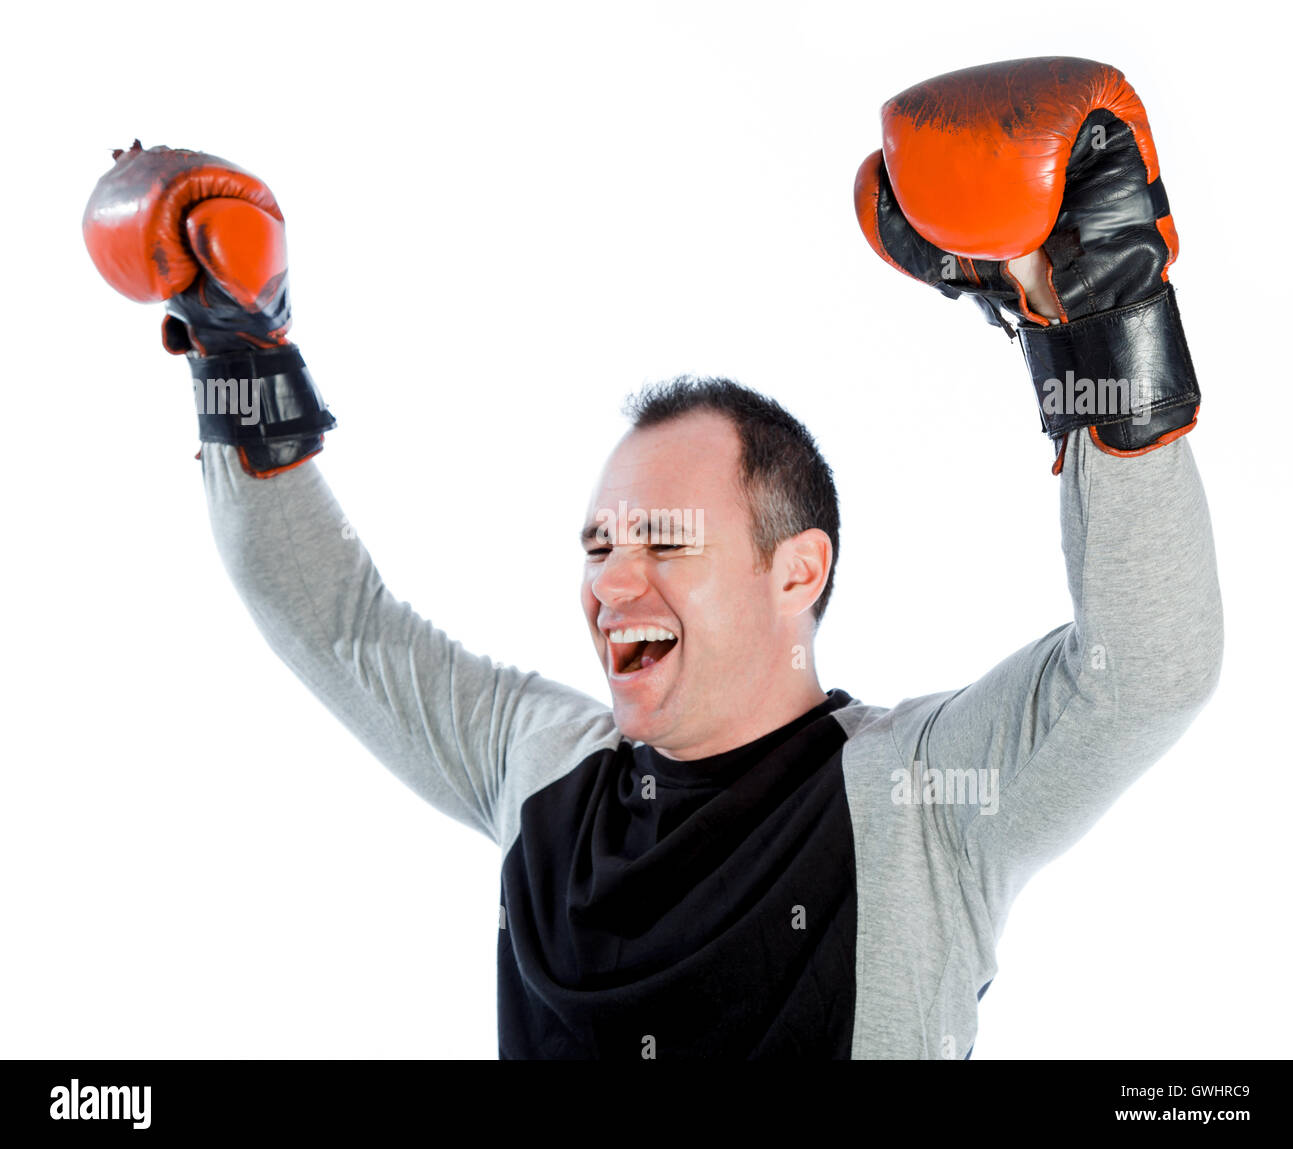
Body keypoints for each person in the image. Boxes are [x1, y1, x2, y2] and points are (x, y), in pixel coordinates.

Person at [83, 56, 1223, 1059]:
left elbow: (1148, 665)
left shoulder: (916, 800)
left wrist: (1103, 326)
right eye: (596, 546)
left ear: (798, 571)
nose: (611, 585)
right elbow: (327, 614)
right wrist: (238, 355)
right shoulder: (538, 769)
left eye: (665, 542)